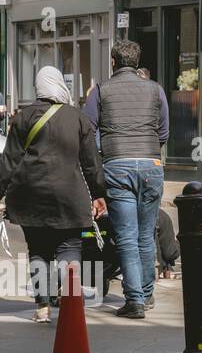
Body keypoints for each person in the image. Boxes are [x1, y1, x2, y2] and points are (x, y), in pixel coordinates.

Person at [0, 68, 107, 322]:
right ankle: (70, 304)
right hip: (69, 196)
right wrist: (99, 194)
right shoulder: (77, 118)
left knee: (38, 250)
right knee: (70, 247)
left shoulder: (23, 117)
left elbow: (10, 161)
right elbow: (91, 161)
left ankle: (43, 308)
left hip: (30, 196)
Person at [84, 40, 168, 319]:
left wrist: (104, 148)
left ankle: (134, 301)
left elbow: (87, 131)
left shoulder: (101, 90)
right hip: (151, 164)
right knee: (146, 234)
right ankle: (147, 293)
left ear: (113, 62)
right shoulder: (156, 90)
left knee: (127, 237)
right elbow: (164, 132)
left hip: (117, 165)